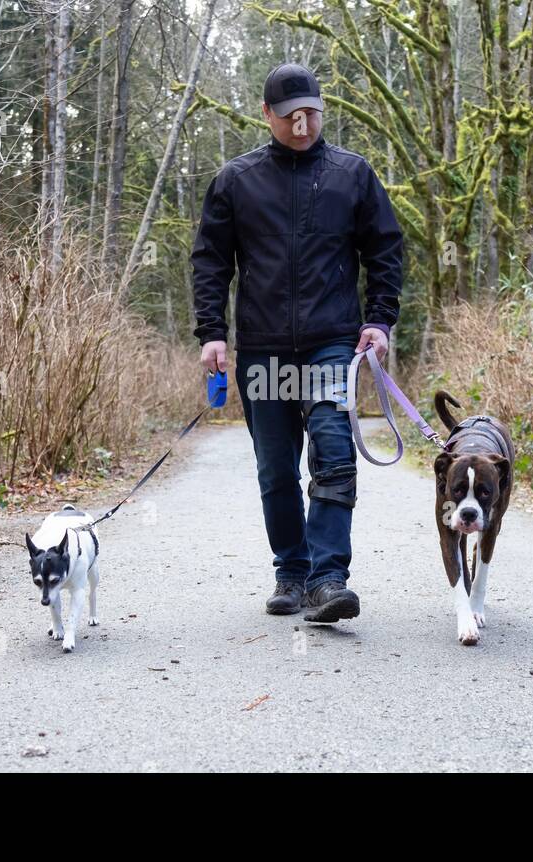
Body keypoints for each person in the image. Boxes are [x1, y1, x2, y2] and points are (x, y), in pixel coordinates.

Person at [190, 62, 404, 622]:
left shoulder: (352, 175)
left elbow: (385, 250)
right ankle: (292, 570)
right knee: (277, 468)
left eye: (310, 114)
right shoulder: (237, 181)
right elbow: (210, 262)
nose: (303, 126)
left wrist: (379, 321)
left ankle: (330, 579)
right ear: (267, 115)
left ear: (321, 108)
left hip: (332, 342)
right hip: (262, 349)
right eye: (290, 117)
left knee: (334, 453)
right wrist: (212, 332)